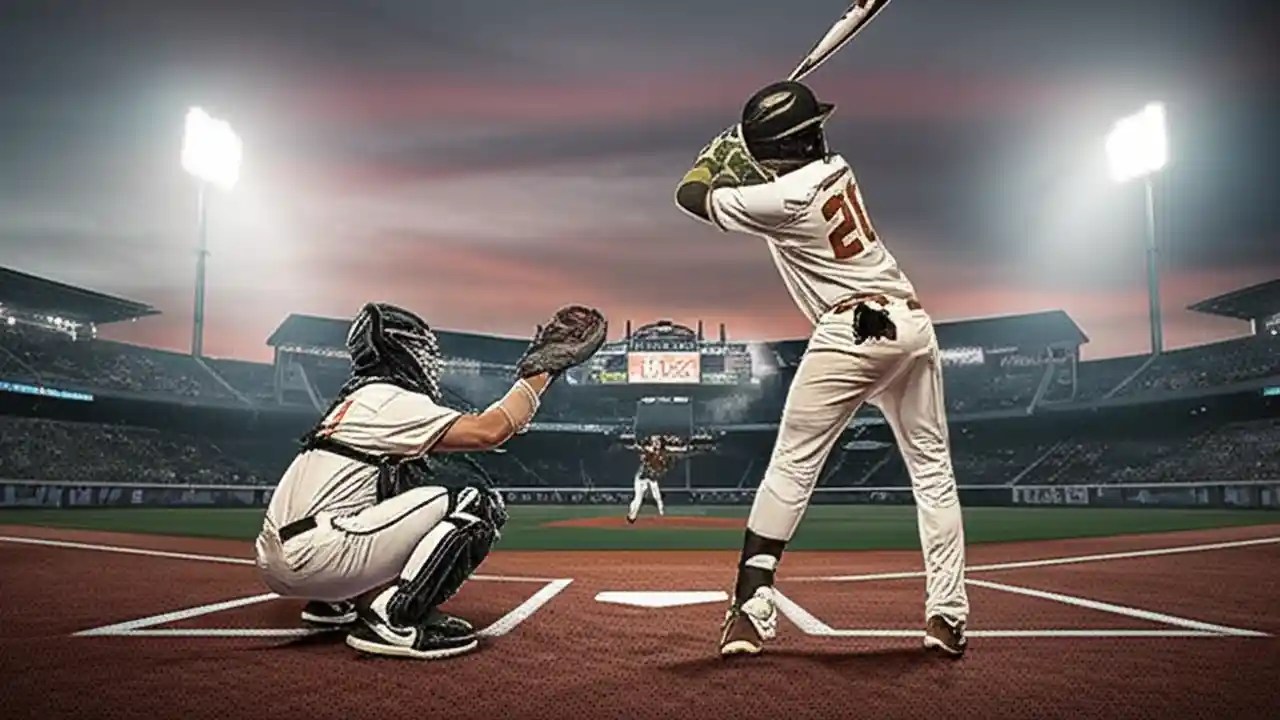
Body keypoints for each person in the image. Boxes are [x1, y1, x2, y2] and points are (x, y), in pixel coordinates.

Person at [674, 80, 970, 657]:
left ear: (773, 153)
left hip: (851, 330)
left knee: (791, 464)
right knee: (933, 476)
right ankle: (948, 615)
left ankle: (750, 609)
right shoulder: (838, 167)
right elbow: (773, 178)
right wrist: (750, 154)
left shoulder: (784, 201)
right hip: (910, 325)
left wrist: (714, 158)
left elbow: (690, 196)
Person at [254, 302, 605, 660]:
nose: (430, 360)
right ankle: (396, 618)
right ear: (402, 350)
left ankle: (335, 601)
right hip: (317, 556)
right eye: (423, 350)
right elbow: (490, 431)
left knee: (401, 478)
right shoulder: (390, 398)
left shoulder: (355, 401)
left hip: (284, 553)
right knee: (477, 502)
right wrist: (541, 371)